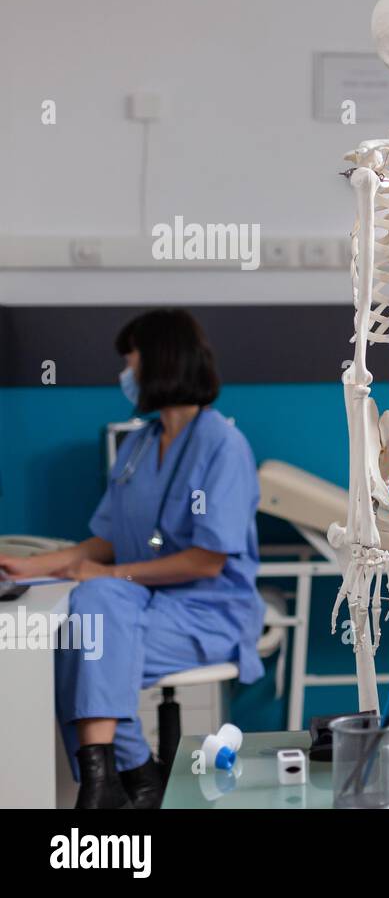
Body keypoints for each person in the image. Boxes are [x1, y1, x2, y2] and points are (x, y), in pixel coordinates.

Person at [0, 309, 263, 809]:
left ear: (160, 359)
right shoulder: (138, 446)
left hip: (206, 611)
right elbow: (105, 540)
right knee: (93, 622)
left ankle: (115, 779)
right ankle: (132, 778)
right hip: (136, 604)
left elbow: (207, 562)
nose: (126, 372)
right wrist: (28, 566)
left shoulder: (223, 446)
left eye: (131, 359)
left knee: (87, 640)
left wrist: (106, 574)